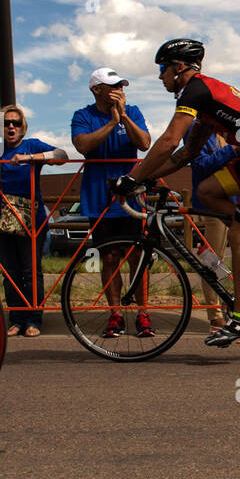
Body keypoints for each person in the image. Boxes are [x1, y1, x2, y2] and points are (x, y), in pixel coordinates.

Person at [115, 38, 240, 347]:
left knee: (239, 233)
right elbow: (184, 155)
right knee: (208, 191)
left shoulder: (195, 90)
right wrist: (143, 179)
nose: (160, 77)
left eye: (162, 69)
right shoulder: (206, 99)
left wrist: (131, 179)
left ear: (179, 67)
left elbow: (169, 140)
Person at [70, 67, 152, 338]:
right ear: (97, 90)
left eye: (122, 86)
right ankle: (115, 314)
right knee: (109, 256)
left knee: (136, 256)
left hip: (129, 196)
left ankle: (143, 313)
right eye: (113, 86)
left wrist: (124, 117)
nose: (120, 90)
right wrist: (110, 122)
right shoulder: (83, 115)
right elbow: (83, 145)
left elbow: (144, 143)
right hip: (99, 197)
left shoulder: (135, 110)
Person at [0, 105, 68, 337]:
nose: (11, 127)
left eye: (16, 123)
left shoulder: (32, 145)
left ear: (23, 127)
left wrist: (29, 158)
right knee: (10, 272)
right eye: (7, 123)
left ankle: (34, 319)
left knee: (31, 271)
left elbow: (61, 156)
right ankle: (16, 318)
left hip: (31, 218)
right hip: (1, 219)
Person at [189, 130, 238, 331]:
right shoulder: (199, 128)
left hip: (237, 199)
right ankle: (215, 316)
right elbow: (201, 164)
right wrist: (233, 150)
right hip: (213, 204)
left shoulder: (232, 129)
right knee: (213, 261)